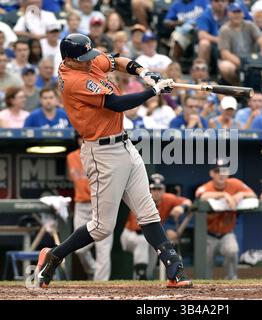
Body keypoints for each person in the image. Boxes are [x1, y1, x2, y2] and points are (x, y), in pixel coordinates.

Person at [35, 33, 192, 289]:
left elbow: (118, 60)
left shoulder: (86, 60)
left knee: (148, 211)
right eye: (83, 58)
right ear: (69, 59)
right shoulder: (73, 79)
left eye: (89, 55)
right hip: (102, 153)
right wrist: (153, 90)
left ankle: (174, 269)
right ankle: (54, 255)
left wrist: (144, 72)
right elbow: (116, 103)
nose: (90, 61)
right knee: (101, 228)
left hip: (124, 144)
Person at [121, 173, 192, 280]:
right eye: (154, 189)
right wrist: (165, 232)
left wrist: (181, 207)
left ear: (164, 190)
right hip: (130, 236)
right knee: (143, 241)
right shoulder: (142, 200)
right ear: (149, 189)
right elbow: (142, 230)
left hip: (150, 237)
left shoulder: (168, 199)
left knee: (153, 257)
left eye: (159, 189)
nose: (156, 192)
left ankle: (143, 279)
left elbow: (188, 202)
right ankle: (140, 276)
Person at [195, 159, 257, 279]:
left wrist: (241, 194)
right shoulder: (207, 187)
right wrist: (224, 195)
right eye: (217, 171)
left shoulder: (235, 183)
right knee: (205, 267)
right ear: (211, 174)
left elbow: (253, 195)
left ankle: (232, 278)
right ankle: (204, 285)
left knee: (232, 250)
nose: (221, 174)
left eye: (224, 171)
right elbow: (201, 196)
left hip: (226, 233)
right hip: (208, 234)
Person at [67, 134, 113, 281]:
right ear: (77, 140)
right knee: (79, 249)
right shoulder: (71, 157)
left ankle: (101, 283)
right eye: (81, 138)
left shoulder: (103, 155)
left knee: (103, 249)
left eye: (86, 138)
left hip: (101, 203)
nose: (83, 140)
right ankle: (93, 271)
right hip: (81, 204)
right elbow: (71, 178)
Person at [218, 2, 262, 86]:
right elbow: (224, 53)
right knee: (225, 67)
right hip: (236, 62)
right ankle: (238, 87)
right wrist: (242, 63)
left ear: (243, 13)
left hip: (253, 59)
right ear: (229, 13)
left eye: (239, 12)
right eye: (234, 12)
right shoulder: (225, 30)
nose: (237, 15)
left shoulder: (250, 25)